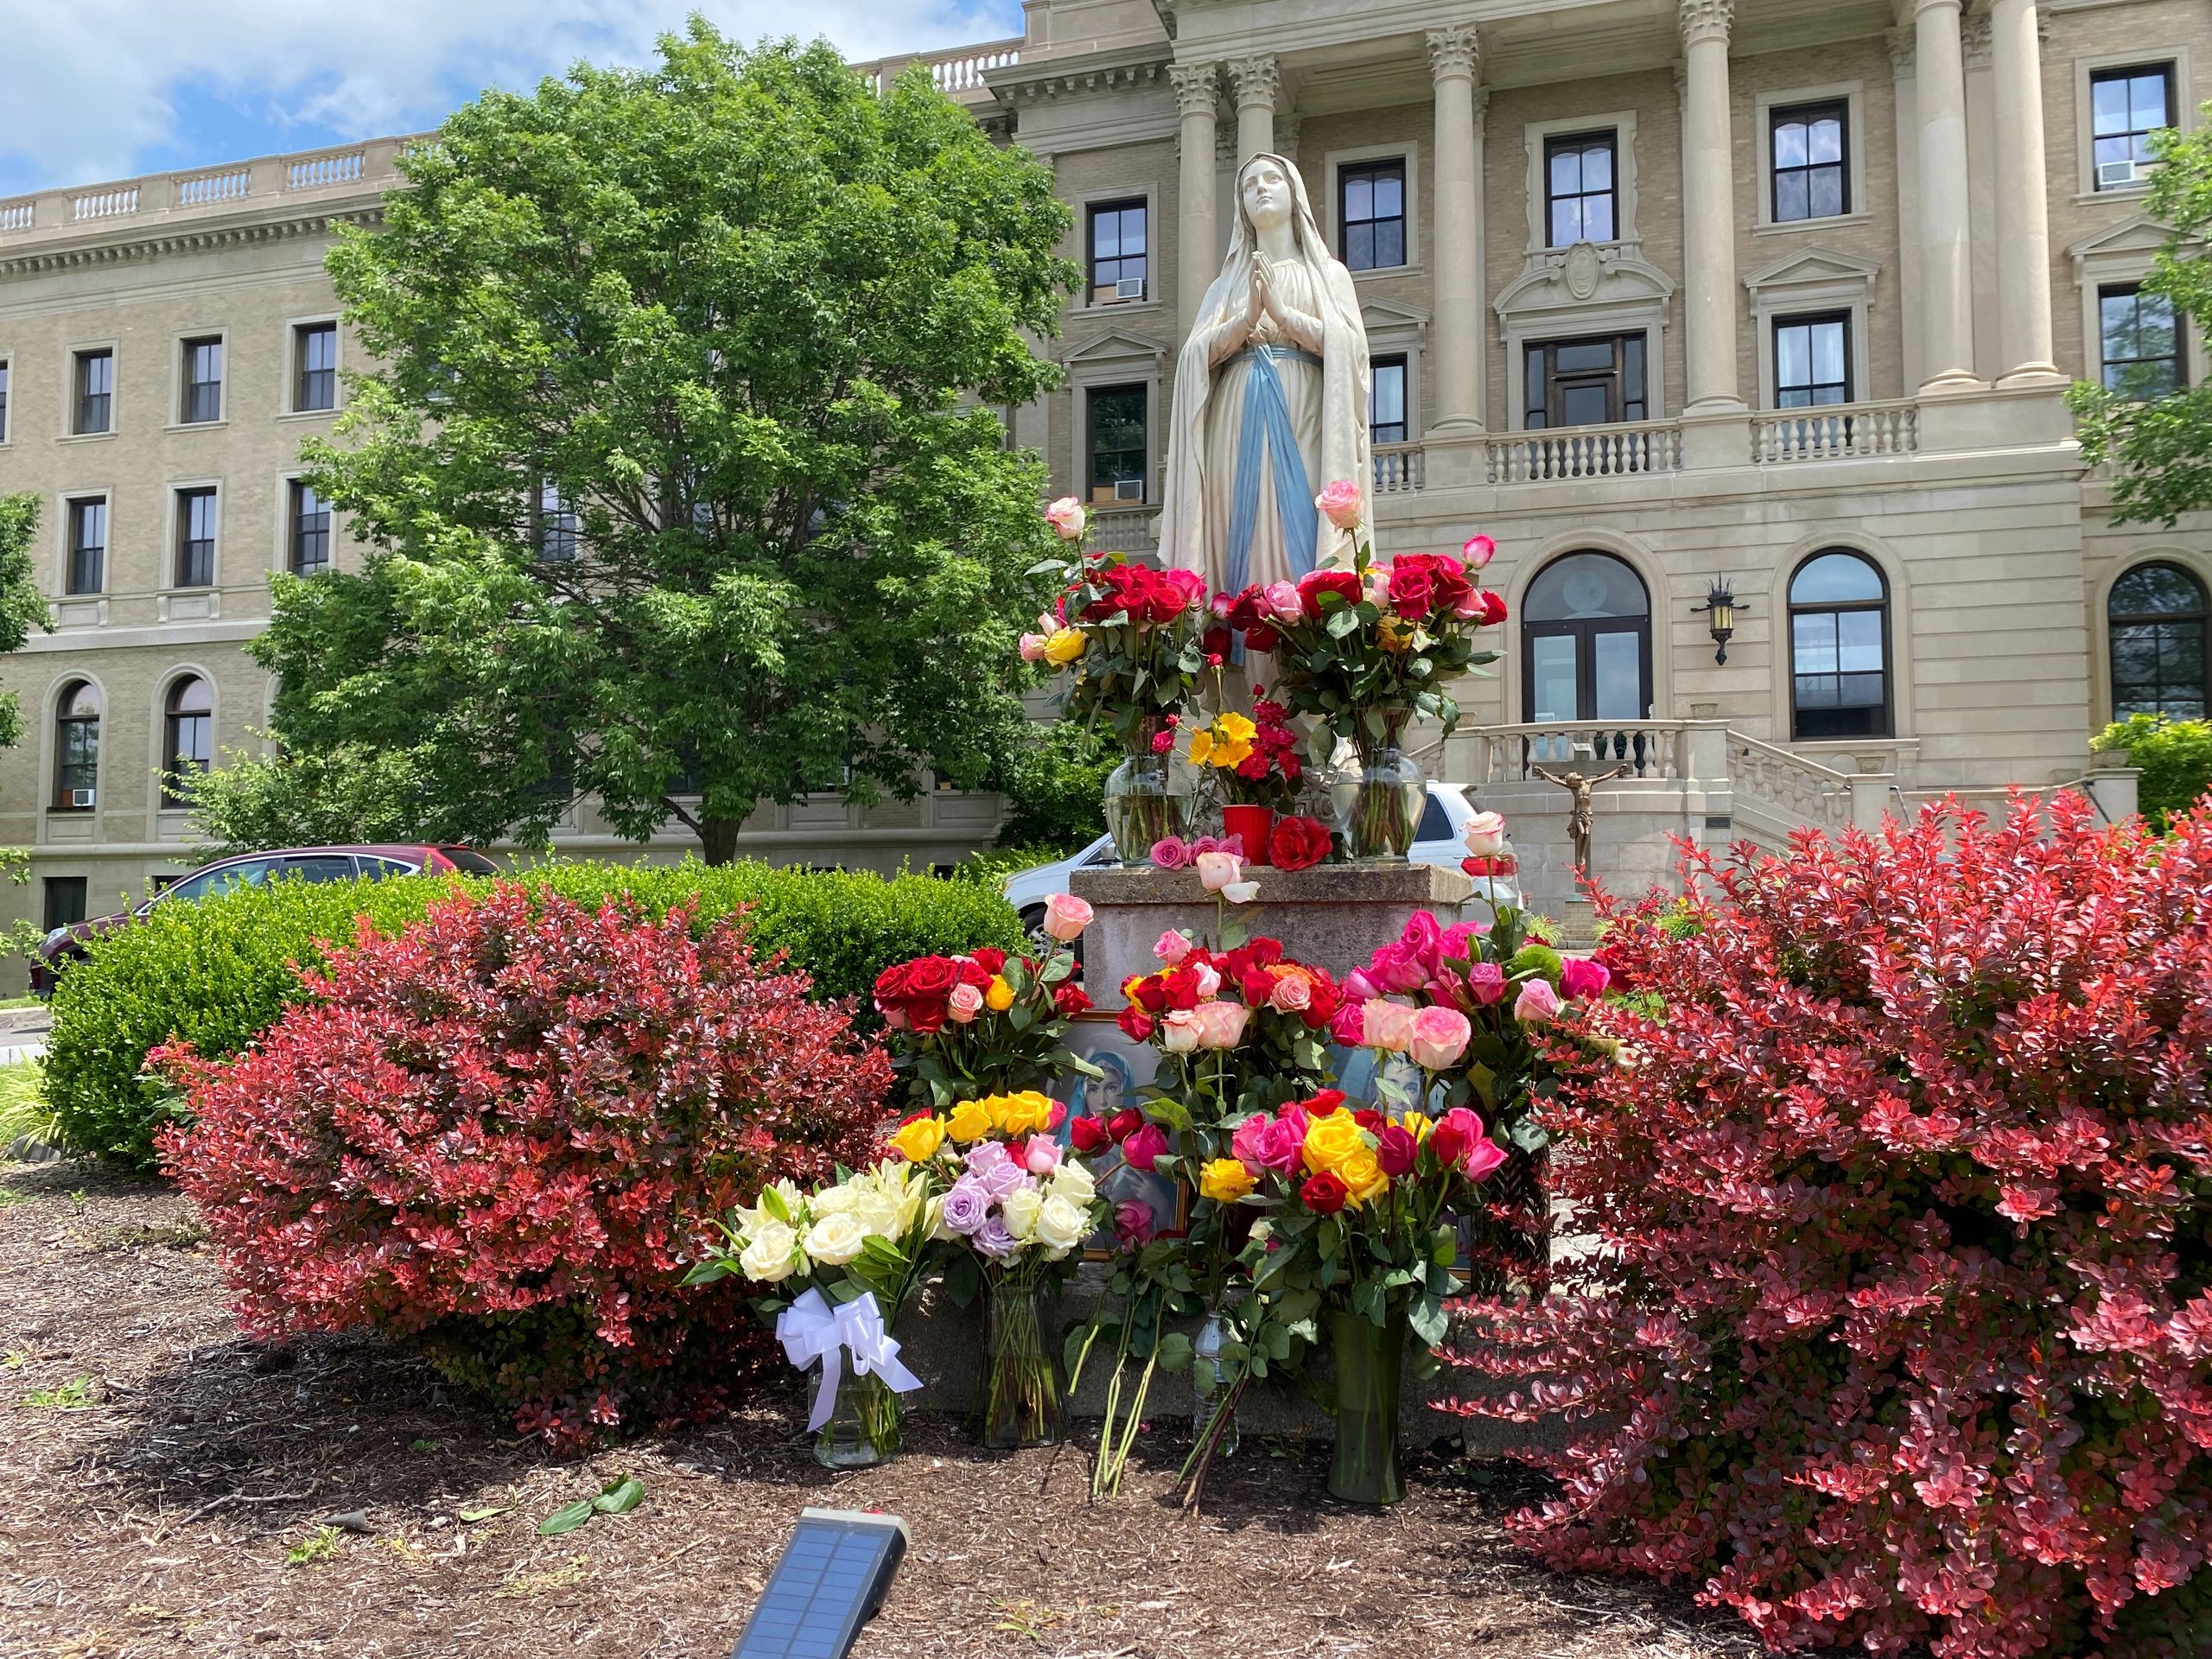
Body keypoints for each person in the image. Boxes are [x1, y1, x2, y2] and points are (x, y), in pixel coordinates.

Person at [1159, 153, 1372, 603]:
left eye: (1273, 179)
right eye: (1249, 184)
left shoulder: (1329, 276)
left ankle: (1304, 634)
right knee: (1239, 525)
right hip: (1234, 419)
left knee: (1299, 516)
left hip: (1305, 412)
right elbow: (1195, 356)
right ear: (1240, 205)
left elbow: (1351, 351)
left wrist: (1283, 314)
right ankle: (1238, 643)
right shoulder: (1224, 287)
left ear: (1295, 196)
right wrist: (1245, 321)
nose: (1260, 188)